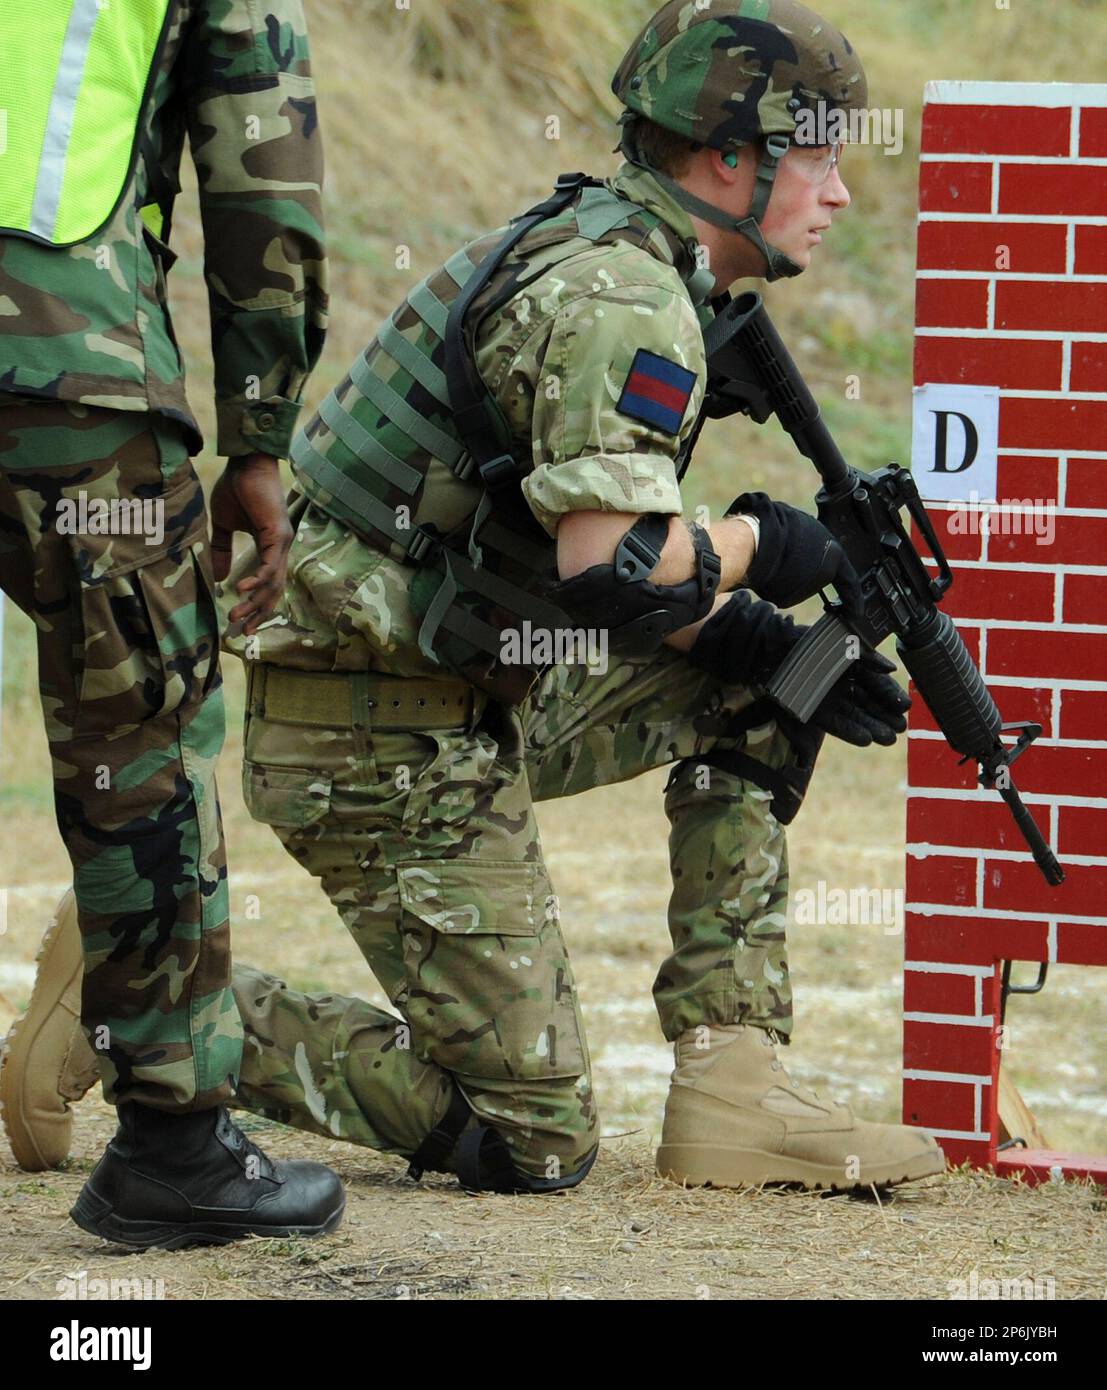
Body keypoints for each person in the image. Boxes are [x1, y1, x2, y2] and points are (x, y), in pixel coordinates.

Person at [9, 0, 944, 1196]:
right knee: (532, 1137)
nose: (842, 195)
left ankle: (733, 1081)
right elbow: (608, 561)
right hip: (370, 724)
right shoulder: (622, 298)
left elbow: (589, 570)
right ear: (731, 160)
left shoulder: (630, 255)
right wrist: (762, 546)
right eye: (819, 161)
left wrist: (770, 644)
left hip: (454, 673)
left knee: (777, 685)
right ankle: (132, 991)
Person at [0, 0, 345, 1245]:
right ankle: (174, 1146)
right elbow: (264, 175)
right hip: (64, 359)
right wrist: (259, 429)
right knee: (137, 737)